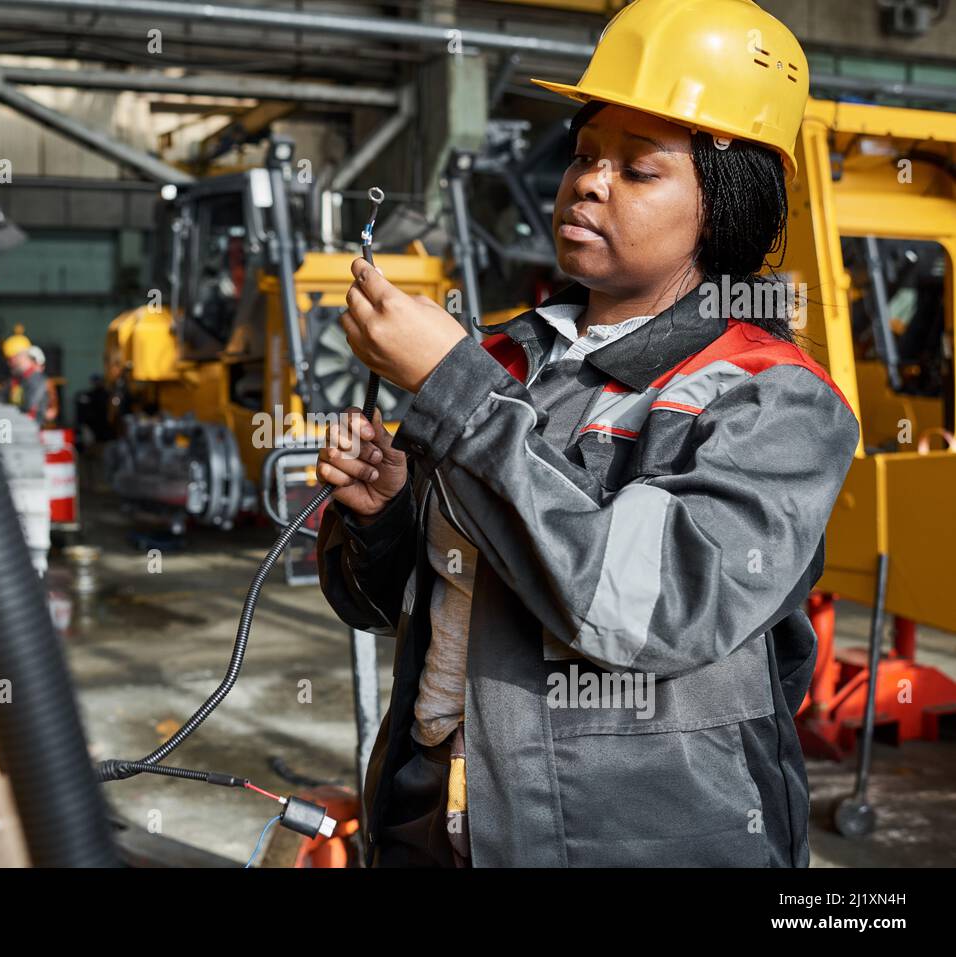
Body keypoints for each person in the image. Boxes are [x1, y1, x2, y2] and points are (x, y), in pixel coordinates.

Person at [316, 0, 860, 868]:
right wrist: (382, 517)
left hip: (648, 841)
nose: (590, 183)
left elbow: (644, 610)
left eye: (639, 170)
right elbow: (391, 609)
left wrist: (455, 389)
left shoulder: (776, 399)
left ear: (723, 206)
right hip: (432, 821)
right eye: (583, 155)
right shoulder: (503, 356)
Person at [3, 327, 52, 424]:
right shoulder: (16, 380)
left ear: (22, 356)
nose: (9, 364)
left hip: (30, 432)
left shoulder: (37, 380)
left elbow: (29, 407)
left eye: (11, 359)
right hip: (19, 430)